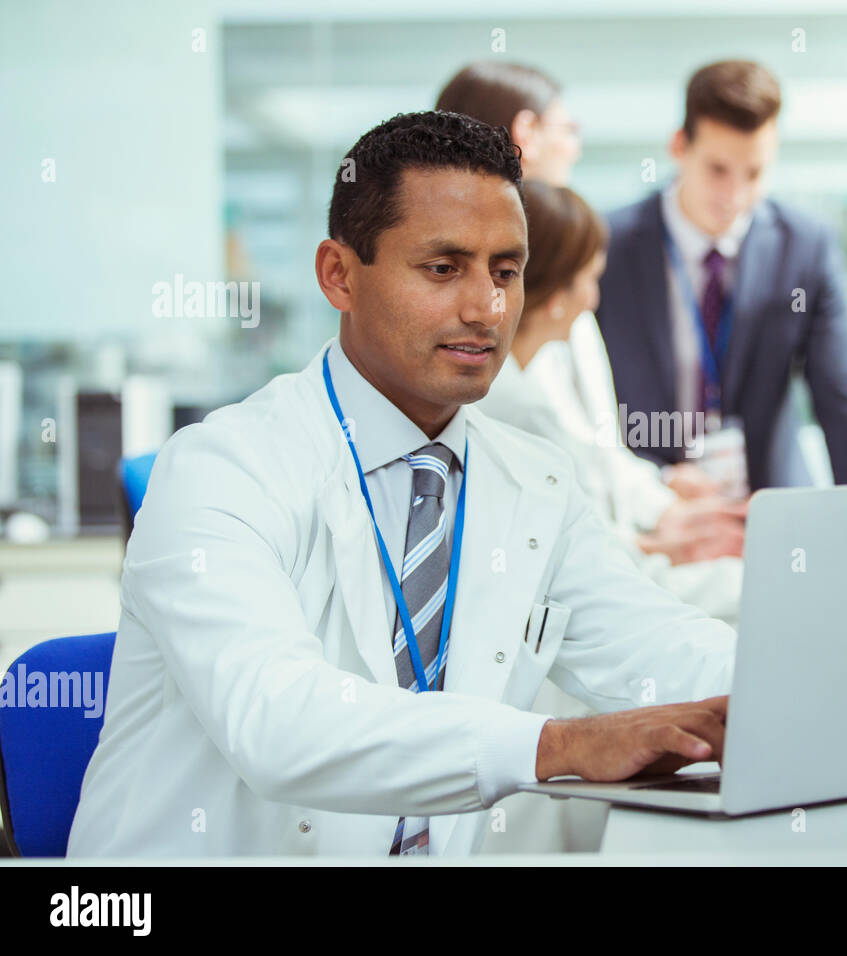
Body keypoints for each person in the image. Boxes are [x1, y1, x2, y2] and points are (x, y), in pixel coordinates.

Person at [67, 111, 733, 858]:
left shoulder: (534, 482)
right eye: (443, 268)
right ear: (338, 274)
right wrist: (555, 745)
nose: (486, 308)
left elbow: (656, 644)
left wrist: (804, 688)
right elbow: (278, 722)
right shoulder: (223, 468)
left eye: (505, 271)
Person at [436, 61, 729, 503]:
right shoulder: (520, 292)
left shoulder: (551, 261)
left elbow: (588, 450)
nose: (576, 148)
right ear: (528, 134)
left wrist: (659, 491)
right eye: (569, 129)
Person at [596, 59, 847, 491]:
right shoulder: (609, 247)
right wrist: (650, 485)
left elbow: (839, 394)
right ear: (679, 147)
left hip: (769, 502)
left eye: (754, 173)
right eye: (717, 170)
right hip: (649, 502)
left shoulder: (804, 247)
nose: (735, 195)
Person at [476, 180, 745, 620]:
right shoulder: (519, 409)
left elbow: (599, 472)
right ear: (557, 296)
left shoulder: (517, 392)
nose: (595, 299)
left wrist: (669, 519)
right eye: (590, 280)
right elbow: (589, 564)